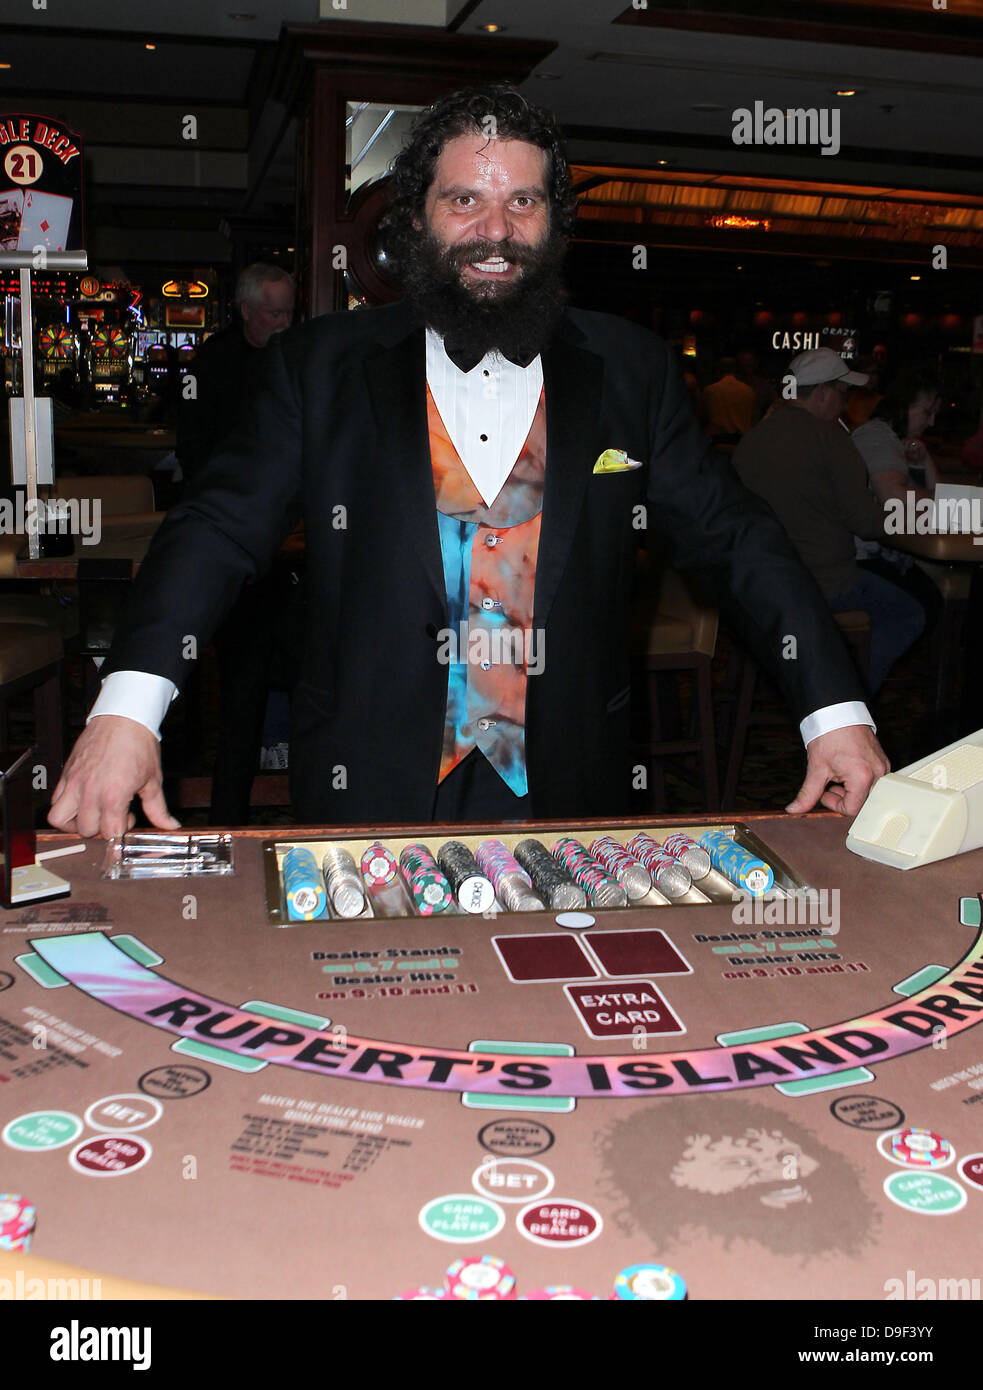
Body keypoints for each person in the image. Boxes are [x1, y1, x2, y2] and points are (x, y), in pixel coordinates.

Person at [48, 84, 887, 840]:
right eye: (465, 200)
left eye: (523, 200)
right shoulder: (318, 366)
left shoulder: (630, 367)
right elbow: (217, 528)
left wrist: (832, 710)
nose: (496, 230)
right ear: (416, 217)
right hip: (368, 775)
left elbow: (733, 537)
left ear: (554, 221)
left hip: (568, 779)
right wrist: (128, 710)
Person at [177, 263, 298, 823]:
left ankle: (318, 813)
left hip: (300, 555)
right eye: (272, 312)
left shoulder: (298, 357)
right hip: (241, 553)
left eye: (288, 311)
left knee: (312, 683)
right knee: (241, 695)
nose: (282, 322)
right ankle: (227, 819)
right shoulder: (213, 366)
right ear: (247, 311)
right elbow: (197, 459)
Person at [733, 347, 925, 694]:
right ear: (822, 392)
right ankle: (850, 701)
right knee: (910, 612)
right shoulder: (830, 438)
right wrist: (918, 513)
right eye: (843, 391)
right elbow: (867, 523)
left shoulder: (751, 439)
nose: (847, 401)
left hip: (761, 585)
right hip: (823, 584)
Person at [850, 369, 944, 632]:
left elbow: (932, 502)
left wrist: (925, 461)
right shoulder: (877, 437)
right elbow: (897, 501)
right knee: (926, 603)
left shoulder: (894, 442)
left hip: (877, 555)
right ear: (905, 405)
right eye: (928, 412)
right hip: (857, 561)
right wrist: (952, 502)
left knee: (934, 598)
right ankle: (855, 672)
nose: (932, 422)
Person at [701, 357, 756, 445]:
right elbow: (753, 419)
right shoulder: (748, 391)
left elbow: (703, 416)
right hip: (742, 442)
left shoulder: (710, 390)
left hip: (718, 443)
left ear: (718, 371)